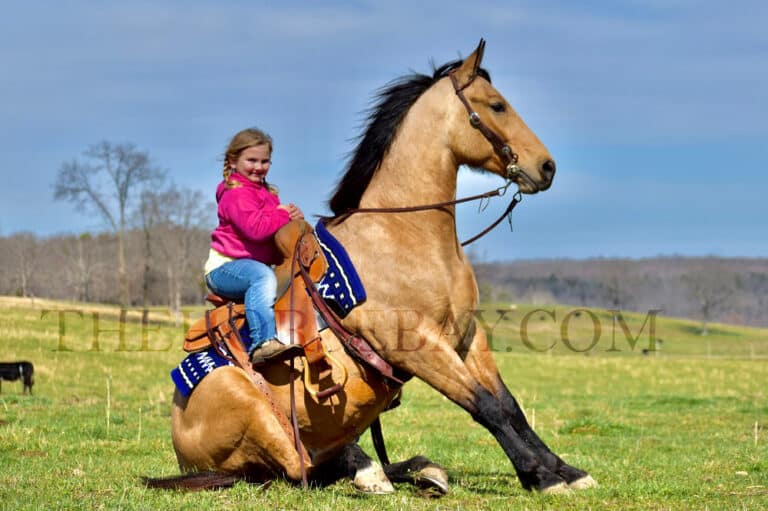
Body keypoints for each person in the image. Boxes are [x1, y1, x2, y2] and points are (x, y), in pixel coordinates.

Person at [204, 127, 304, 362]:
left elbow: (274, 229)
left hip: (255, 266)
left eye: (265, 161)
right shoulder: (234, 194)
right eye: (251, 160)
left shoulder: (268, 194)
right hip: (225, 268)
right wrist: (281, 214)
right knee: (261, 277)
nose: (258, 167)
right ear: (233, 160)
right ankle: (263, 342)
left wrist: (293, 219)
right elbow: (255, 230)